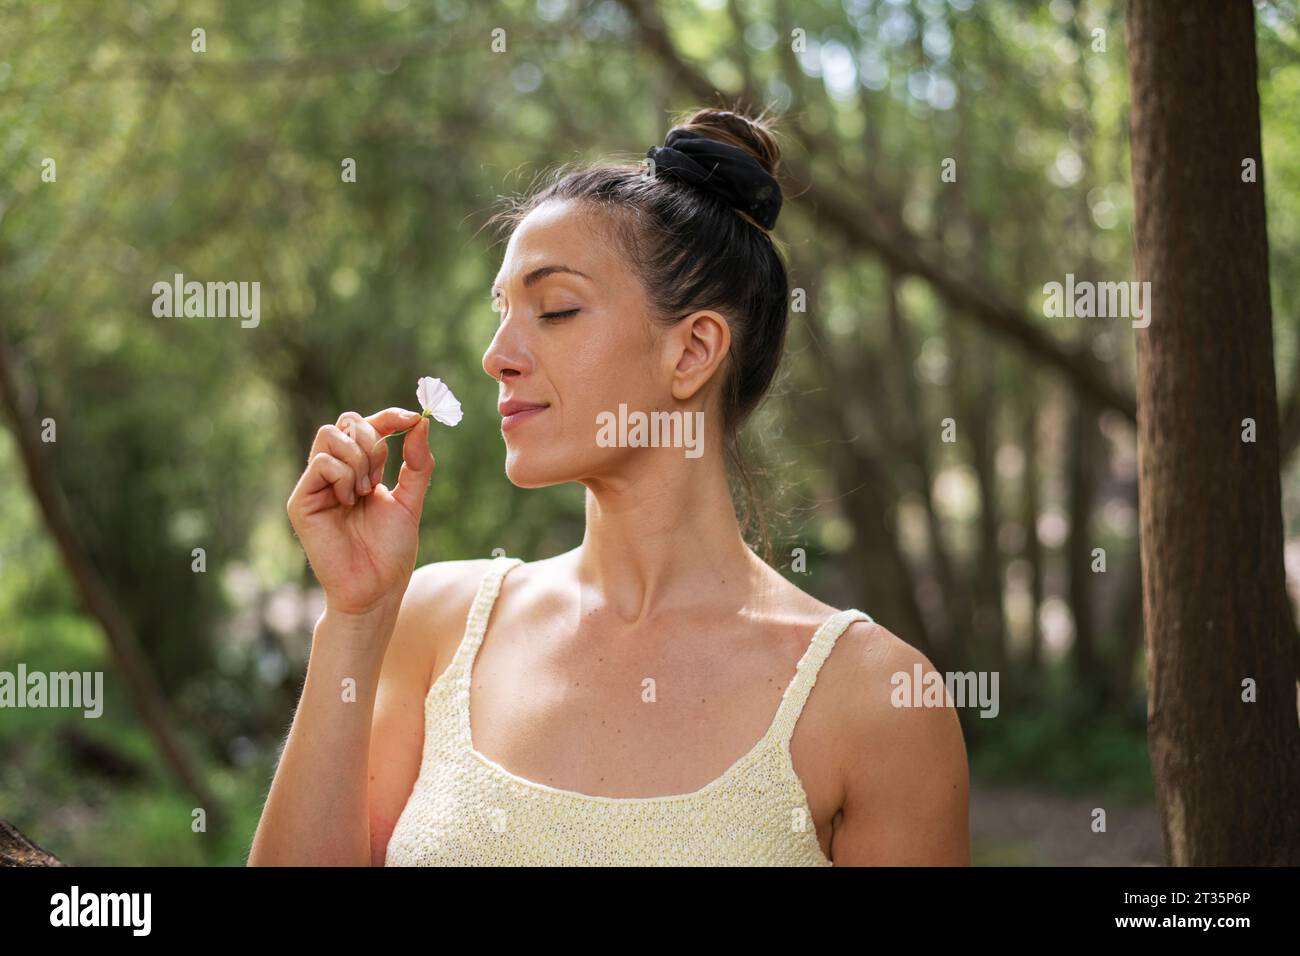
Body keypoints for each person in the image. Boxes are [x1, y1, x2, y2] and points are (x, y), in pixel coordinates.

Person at [248, 107, 970, 866]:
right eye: (503, 311)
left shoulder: (874, 697)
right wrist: (356, 621)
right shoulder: (435, 625)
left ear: (692, 351)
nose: (497, 355)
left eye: (555, 308)